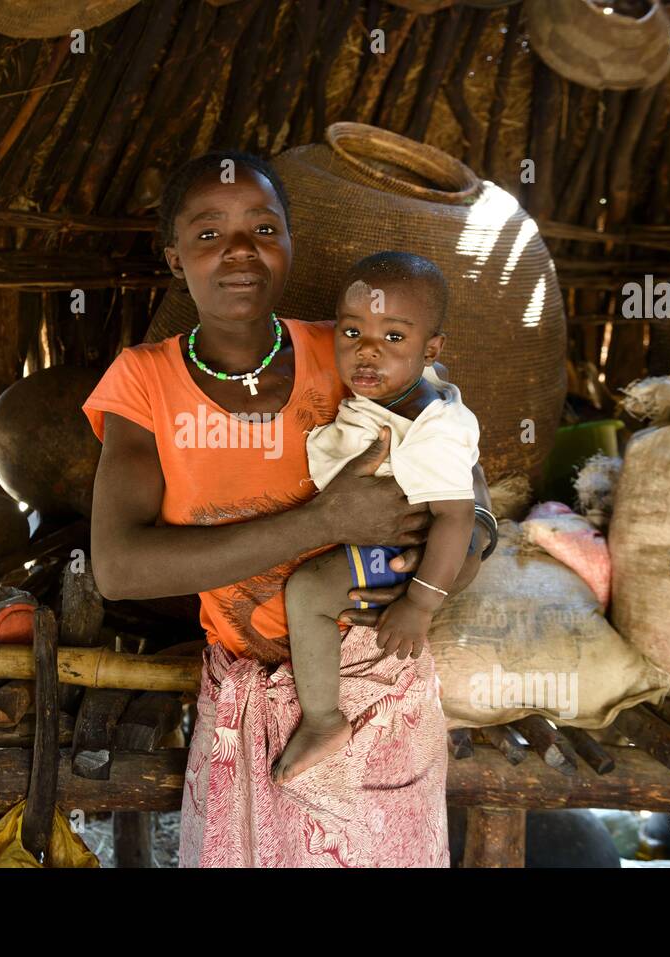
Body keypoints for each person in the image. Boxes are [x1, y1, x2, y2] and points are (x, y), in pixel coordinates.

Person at [83, 150, 494, 867]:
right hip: (243, 696)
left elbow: (472, 507)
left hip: (376, 687)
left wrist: (416, 589)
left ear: (289, 245)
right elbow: (119, 568)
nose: (240, 251)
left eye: (263, 228)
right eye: (209, 234)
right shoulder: (144, 383)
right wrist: (323, 523)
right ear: (174, 257)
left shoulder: (352, 352)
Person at [274, 252, 480, 784]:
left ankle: (322, 719)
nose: (366, 350)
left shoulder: (431, 427)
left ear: (430, 349)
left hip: (408, 547)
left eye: (393, 337)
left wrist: (419, 603)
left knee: (309, 593)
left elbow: (456, 519)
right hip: (372, 526)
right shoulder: (405, 388)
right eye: (352, 331)